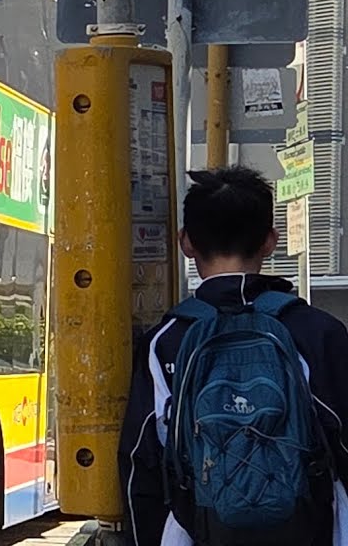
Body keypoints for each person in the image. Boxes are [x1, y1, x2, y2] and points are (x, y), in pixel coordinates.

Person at [119, 166, 348, 546]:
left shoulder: (166, 341)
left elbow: (139, 464)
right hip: (309, 529)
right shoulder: (317, 333)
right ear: (270, 241)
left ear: (186, 242)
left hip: (201, 529)